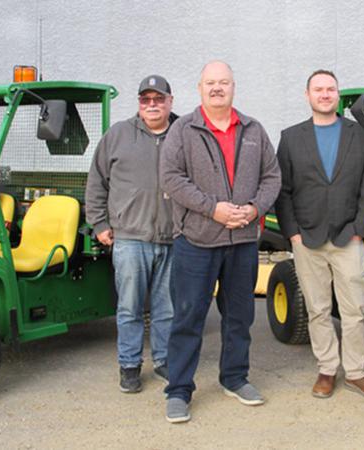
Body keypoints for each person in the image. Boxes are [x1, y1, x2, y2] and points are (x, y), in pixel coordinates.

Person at [160, 60, 281, 423]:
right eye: (210, 82)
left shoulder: (254, 129)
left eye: (223, 82)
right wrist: (213, 209)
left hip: (243, 240)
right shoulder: (183, 129)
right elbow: (171, 178)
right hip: (197, 242)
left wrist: (253, 208)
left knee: (240, 316)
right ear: (200, 88)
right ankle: (179, 390)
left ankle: (234, 378)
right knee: (188, 317)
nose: (217, 88)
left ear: (233, 87)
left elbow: (272, 177)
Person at [274, 70, 364, 400]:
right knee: (318, 310)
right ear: (307, 95)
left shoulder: (360, 136)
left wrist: (359, 232)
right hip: (307, 239)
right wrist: (292, 233)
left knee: (355, 311)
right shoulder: (291, 138)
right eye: (318, 89)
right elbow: (283, 191)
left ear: (338, 95)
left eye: (330, 89)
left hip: (348, 237)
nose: (325, 94)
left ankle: (356, 373)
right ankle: (326, 369)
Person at [85, 75, 177, 394]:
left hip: (174, 238)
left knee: (167, 308)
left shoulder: (183, 134)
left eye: (158, 99)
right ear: (139, 103)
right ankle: (129, 365)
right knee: (129, 308)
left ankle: (164, 360)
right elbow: (97, 181)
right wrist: (98, 224)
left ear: (170, 101)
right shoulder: (118, 135)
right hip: (130, 238)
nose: (152, 105)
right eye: (145, 100)